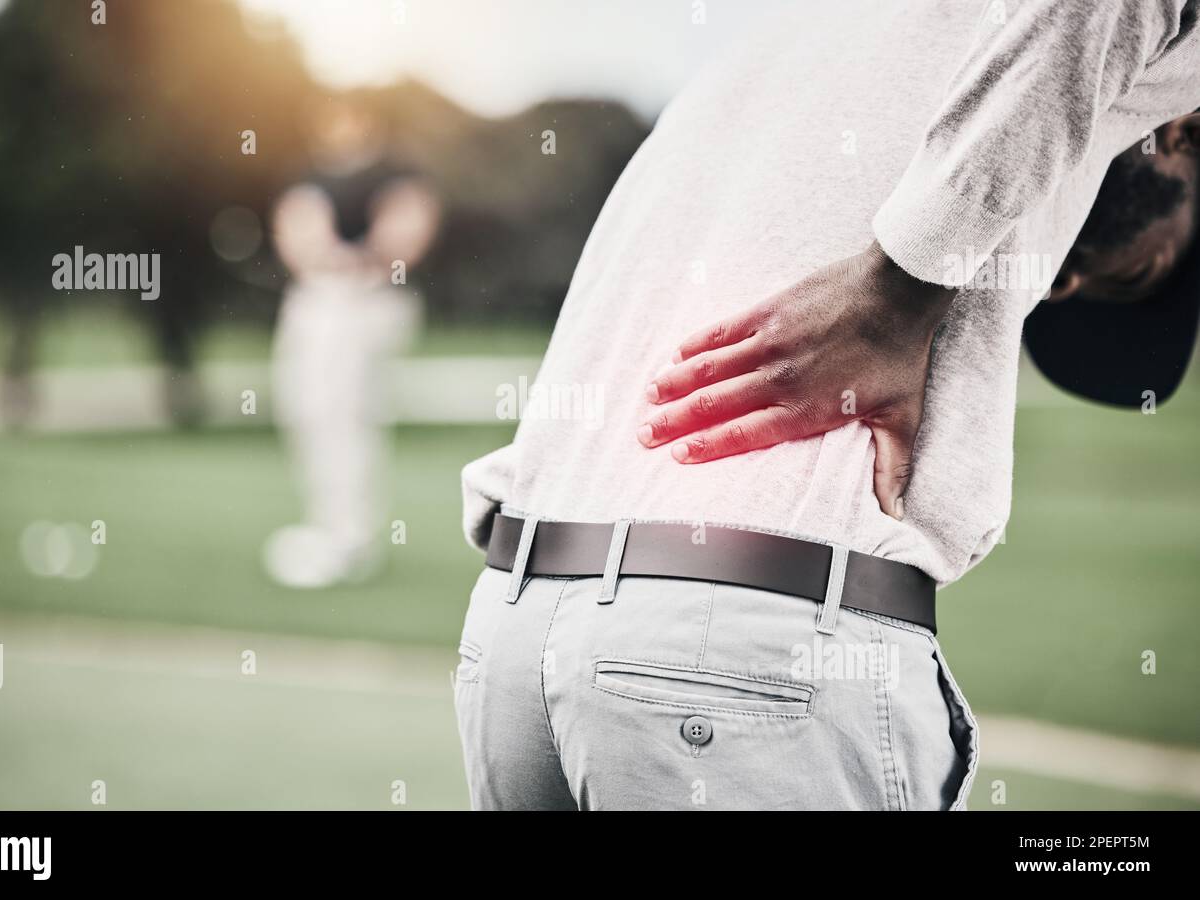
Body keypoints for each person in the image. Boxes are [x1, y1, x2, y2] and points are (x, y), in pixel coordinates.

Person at [454, 0, 1200, 810]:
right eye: (1135, 274)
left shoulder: (813, 42)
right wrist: (900, 287)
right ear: (1185, 133)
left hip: (513, 625)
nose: (1059, 282)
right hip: (742, 645)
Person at [265, 175, 440, 588]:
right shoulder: (311, 171)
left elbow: (409, 226)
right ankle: (331, 525)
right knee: (308, 414)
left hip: (363, 304)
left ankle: (350, 537)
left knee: (345, 419)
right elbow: (298, 232)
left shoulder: (393, 167)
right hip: (321, 302)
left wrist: (355, 263)